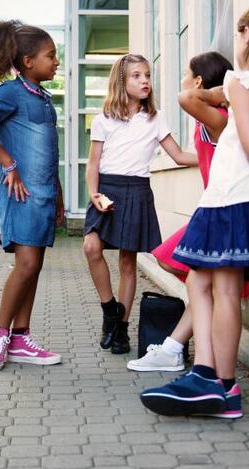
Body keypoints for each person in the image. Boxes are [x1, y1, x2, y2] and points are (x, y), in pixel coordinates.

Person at [140, 1, 249, 420]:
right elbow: (215, 99)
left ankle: (218, 384)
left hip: (233, 195)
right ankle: (209, 378)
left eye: (239, 34)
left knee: (219, 289)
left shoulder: (244, 81)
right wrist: (224, 91)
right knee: (204, 281)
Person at [127, 51, 244, 372]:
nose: (180, 80)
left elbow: (184, 97)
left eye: (184, 73)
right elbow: (201, 158)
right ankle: (176, 348)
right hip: (213, 209)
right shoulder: (215, 120)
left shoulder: (218, 116)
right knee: (184, 271)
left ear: (198, 82)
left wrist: (221, 90)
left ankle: (179, 352)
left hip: (222, 211)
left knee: (193, 276)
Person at [83, 54, 198, 355]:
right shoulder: (103, 119)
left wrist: (217, 155)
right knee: (91, 247)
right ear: (121, 81)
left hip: (136, 191)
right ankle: (110, 310)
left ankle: (120, 329)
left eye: (147, 75)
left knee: (127, 262)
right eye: (136, 76)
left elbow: (180, 156)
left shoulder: (155, 119)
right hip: (106, 189)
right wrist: (94, 193)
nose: (145, 80)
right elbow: (93, 164)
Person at [0, 20, 65, 371]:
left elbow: (48, 152)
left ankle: (21, 338)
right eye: (50, 56)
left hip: (43, 195)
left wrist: (58, 195)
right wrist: (8, 163)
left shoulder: (43, 98)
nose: (56, 62)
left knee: (34, 265)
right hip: (21, 194)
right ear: (27, 61)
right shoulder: (11, 93)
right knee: (25, 265)